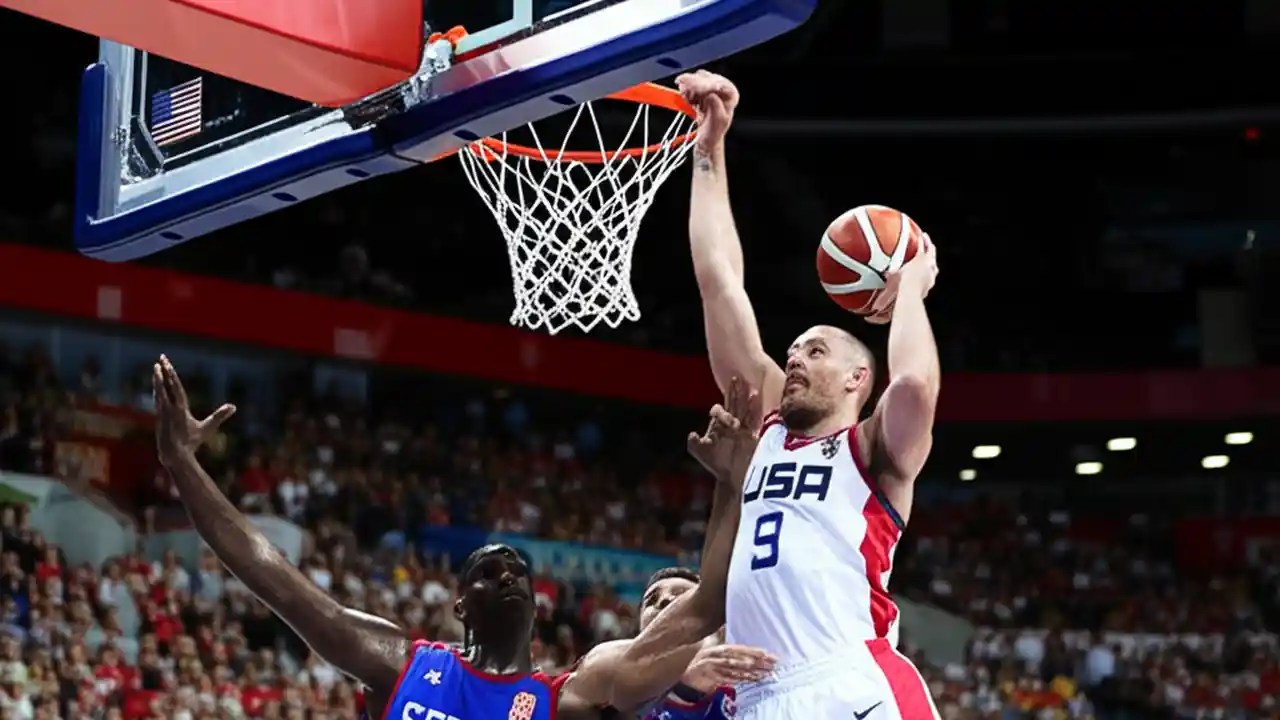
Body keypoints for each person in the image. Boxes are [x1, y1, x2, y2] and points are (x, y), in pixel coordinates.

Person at [151, 356, 765, 720]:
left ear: (538, 606)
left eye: (517, 572)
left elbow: (705, 604)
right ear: (459, 605)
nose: (506, 573)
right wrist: (182, 464)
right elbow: (270, 575)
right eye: (486, 571)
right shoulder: (399, 662)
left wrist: (731, 485)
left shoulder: (571, 695)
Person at [669, 70, 943, 720]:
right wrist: (709, 149)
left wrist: (908, 287)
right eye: (790, 351)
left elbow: (914, 383)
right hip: (759, 697)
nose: (792, 358)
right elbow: (719, 283)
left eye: (814, 350)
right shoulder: (765, 425)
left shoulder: (873, 449)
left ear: (857, 380)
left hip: (852, 679)